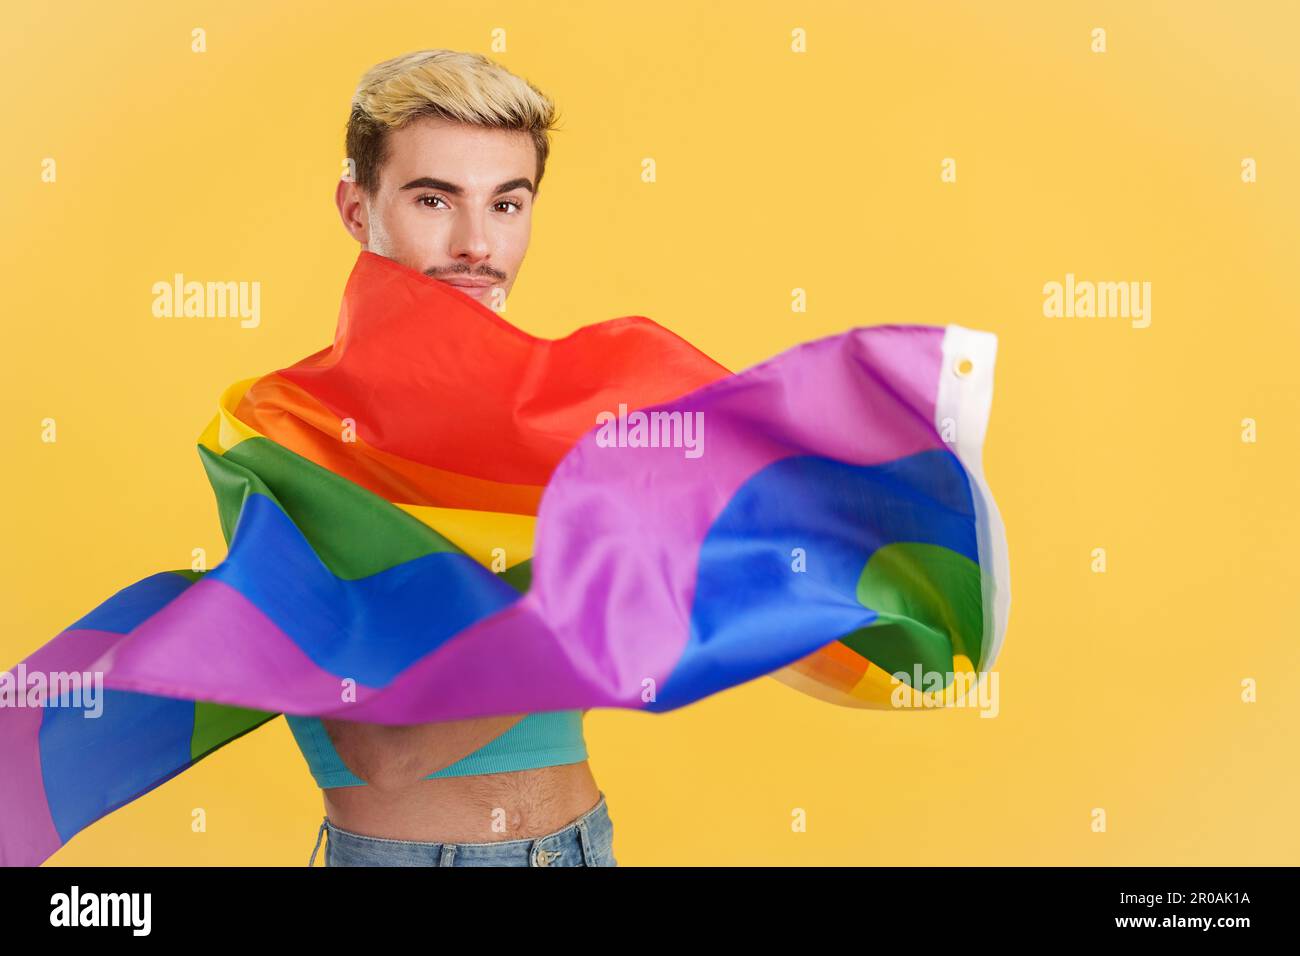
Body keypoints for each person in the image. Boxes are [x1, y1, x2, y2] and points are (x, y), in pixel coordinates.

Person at [290, 49, 615, 867]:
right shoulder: (300, 437)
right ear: (357, 209)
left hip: (584, 845)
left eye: (507, 204)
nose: (478, 245)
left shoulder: (558, 423)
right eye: (435, 198)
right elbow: (385, 754)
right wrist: (597, 580)